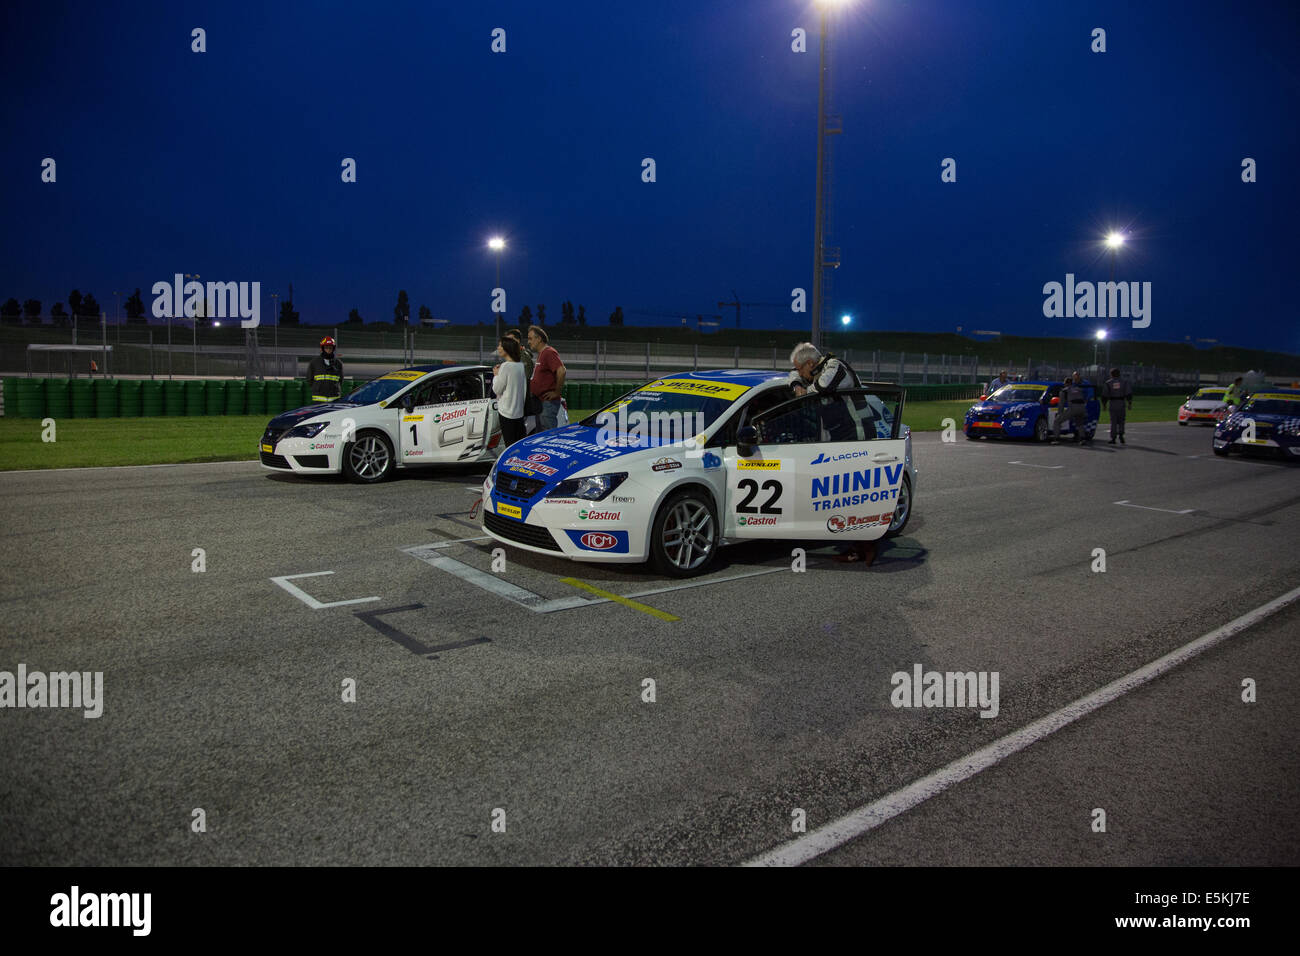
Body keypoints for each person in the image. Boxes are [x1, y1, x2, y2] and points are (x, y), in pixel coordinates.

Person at [527, 326, 566, 431]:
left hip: (548, 403)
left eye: (530, 338)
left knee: (549, 436)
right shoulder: (542, 354)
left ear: (539, 339)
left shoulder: (549, 352)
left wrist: (556, 392)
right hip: (542, 403)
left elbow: (561, 371)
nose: (528, 342)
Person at [492, 335, 527, 449]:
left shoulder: (505, 366)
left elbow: (497, 389)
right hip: (519, 413)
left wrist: (496, 375)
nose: (498, 348)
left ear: (507, 348)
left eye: (500, 345)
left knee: (510, 446)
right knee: (518, 446)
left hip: (507, 413)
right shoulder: (520, 366)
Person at [788, 342, 861, 396]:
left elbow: (824, 386)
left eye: (801, 370)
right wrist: (796, 386)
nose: (800, 374)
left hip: (857, 416)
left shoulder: (835, 365)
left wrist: (805, 391)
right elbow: (794, 371)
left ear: (810, 363)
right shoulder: (816, 371)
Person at [505, 329, 540, 432]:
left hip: (524, 402)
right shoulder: (514, 356)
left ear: (518, 341)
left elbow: (526, 377)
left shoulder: (523, 356)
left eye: (511, 339)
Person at [1051, 371, 1091, 445]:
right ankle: (1082, 439)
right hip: (1082, 408)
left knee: (1057, 421)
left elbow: (1061, 404)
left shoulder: (1064, 391)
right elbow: (1084, 397)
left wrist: (1060, 413)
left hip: (1073, 407)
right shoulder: (1079, 389)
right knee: (1080, 423)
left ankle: (1056, 439)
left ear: (1066, 383)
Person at [1101, 367, 1133, 444]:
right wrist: (1129, 403)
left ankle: (1113, 438)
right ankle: (1121, 435)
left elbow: (1104, 395)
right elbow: (1128, 394)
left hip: (1112, 403)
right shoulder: (1124, 382)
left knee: (1113, 421)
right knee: (1121, 420)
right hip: (1121, 402)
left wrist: (1104, 405)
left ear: (1111, 374)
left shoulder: (1108, 383)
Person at [308, 336, 344, 402]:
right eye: (326, 348)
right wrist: (317, 388)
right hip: (318, 398)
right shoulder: (314, 362)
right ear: (322, 348)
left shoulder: (338, 363)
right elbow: (310, 379)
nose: (328, 350)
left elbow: (341, 380)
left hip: (334, 398)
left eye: (330, 348)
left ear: (333, 349)